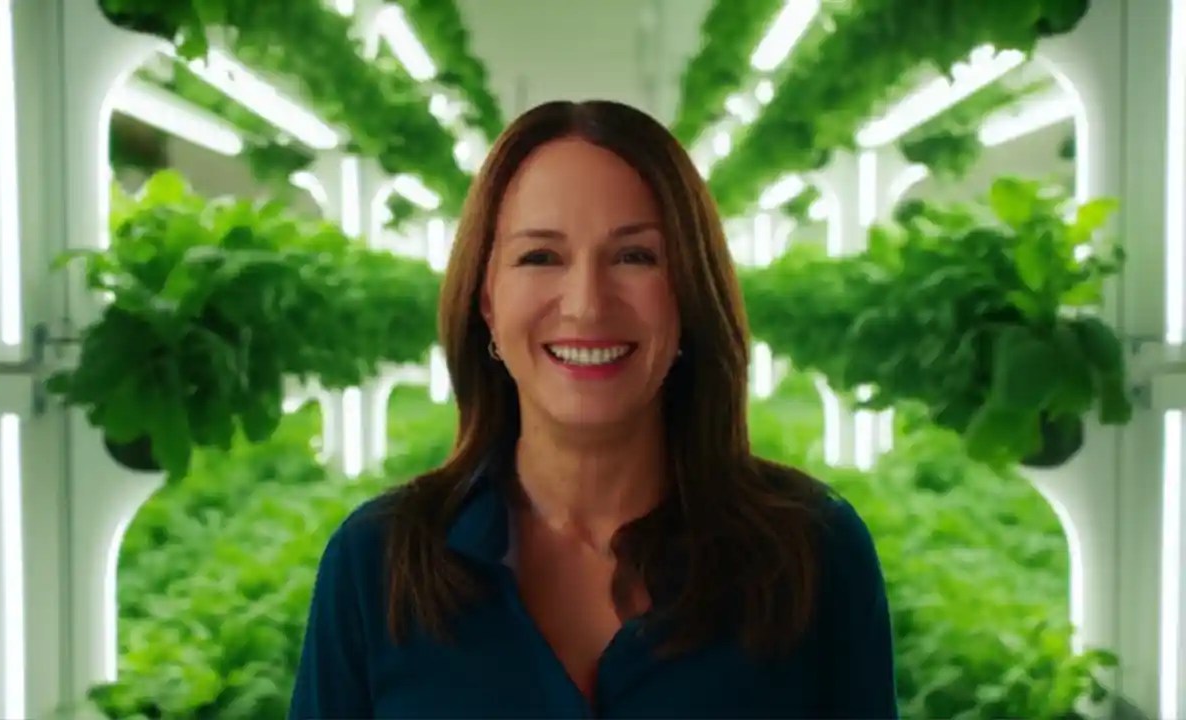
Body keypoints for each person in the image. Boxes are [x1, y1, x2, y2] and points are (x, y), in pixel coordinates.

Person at [289, 99, 898, 719]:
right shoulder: (377, 566)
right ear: (487, 303)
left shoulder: (813, 554)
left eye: (635, 256)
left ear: (688, 295)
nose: (585, 304)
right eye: (540, 257)